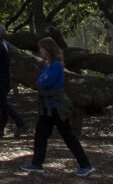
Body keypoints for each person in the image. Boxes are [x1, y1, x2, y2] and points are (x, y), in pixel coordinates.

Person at [19, 38, 94, 175]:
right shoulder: (47, 65)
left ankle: (85, 164)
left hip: (57, 107)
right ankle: (37, 163)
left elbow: (45, 82)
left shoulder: (57, 66)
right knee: (40, 134)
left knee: (68, 136)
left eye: (42, 48)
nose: (40, 51)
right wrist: (41, 82)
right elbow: (40, 81)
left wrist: (41, 82)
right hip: (46, 107)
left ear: (48, 49)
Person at [0, 23, 25, 138]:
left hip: (0, 78)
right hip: (6, 77)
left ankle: (20, 123)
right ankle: (0, 129)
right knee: (2, 103)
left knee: (2, 103)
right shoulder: (5, 44)